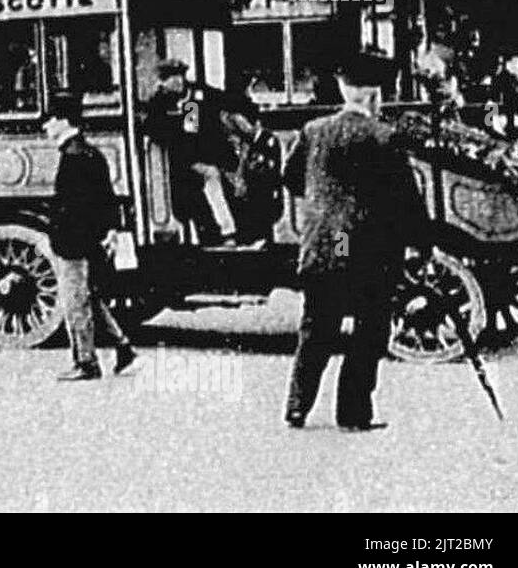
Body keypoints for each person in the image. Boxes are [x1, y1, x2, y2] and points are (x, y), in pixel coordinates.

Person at [281, 53, 430, 431]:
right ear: (374, 95)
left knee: (317, 328)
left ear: (344, 90)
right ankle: (353, 413)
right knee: (369, 330)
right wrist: (421, 242)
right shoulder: (384, 137)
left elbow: (290, 177)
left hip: (326, 244)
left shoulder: (313, 131)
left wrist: (324, 202)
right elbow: (406, 200)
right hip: (366, 250)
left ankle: (297, 408)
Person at [44, 91, 138, 381]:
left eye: (49, 120)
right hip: (92, 240)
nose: (45, 127)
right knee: (90, 298)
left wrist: (57, 235)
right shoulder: (92, 153)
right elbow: (105, 198)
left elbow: (70, 208)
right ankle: (123, 348)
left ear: (62, 121)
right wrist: (107, 231)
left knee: (75, 302)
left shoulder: (71, 158)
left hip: (73, 243)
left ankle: (86, 362)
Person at [143, 58, 258, 245]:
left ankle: (243, 231)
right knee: (211, 175)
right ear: (164, 81)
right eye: (173, 77)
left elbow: (222, 102)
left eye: (180, 76)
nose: (178, 81)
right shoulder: (160, 102)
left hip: (206, 154)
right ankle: (227, 231)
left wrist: (248, 109)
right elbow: (158, 130)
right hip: (180, 162)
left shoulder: (195, 95)